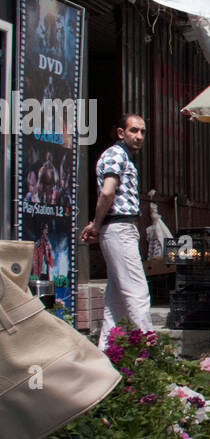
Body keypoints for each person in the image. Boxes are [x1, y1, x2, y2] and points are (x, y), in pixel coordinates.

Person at [81, 114, 153, 350]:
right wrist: (96, 224)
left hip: (121, 228)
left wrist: (98, 225)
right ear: (121, 133)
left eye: (142, 131)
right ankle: (150, 351)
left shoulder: (123, 157)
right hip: (118, 228)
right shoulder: (115, 154)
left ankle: (106, 354)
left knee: (116, 301)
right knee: (137, 293)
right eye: (134, 130)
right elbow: (107, 192)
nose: (139, 136)